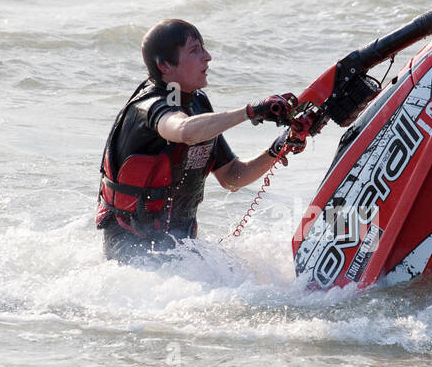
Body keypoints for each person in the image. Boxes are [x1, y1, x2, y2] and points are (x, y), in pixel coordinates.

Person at [95, 18, 304, 261]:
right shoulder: (148, 108)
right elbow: (183, 130)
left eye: (204, 48)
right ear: (165, 65)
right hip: (133, 255)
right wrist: (250, 112)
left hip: (180, 249)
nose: (208, 57)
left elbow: (232, 177)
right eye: (195, 51)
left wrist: (277, 150)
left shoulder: (197, 103)